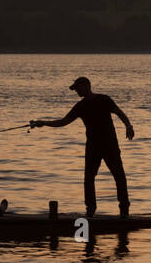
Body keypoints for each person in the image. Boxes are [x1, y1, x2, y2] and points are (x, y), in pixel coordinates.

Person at [30, 77, 135, 218]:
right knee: (89, 179)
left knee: (119, 176)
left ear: (87, 86)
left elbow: (119, 113)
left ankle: (124, 210)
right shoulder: (80, 106)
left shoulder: (104, 99)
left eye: (77, 88)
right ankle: (90, 210)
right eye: (75, 89)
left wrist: (128, 126)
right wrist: (43, 123)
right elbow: (63, 122)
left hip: (110, 144)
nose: (77, 91)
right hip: (92, 146)